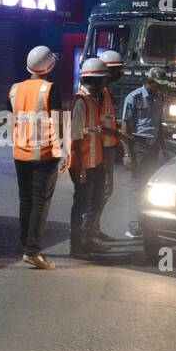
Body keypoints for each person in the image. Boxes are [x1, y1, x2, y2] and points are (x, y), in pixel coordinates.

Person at [9, 46, 63, 270]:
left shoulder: (14, 89)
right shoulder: (50, 89)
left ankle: (26, 245)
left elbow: (12, 116)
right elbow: (60, 124)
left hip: (20, 152)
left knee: (26, 201)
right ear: (49, 66)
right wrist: (64, 152)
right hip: (44, 153)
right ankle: (32, 251)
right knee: (40, 202)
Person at [68, 57, 111, 259]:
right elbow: (76, 136)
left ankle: (87, 241)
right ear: (95, 81)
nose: (105, 84)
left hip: (94, 162)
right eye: (103, 80)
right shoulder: (80, 101)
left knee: (92, 203)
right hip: (83, 165)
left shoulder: (93, 100)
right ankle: (76, 246)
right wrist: (82, 169)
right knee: (80, 206)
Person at [86, 50, 131, 242]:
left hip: (107, 146)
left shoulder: (105, 91)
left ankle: (93, 229)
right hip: (101, 148)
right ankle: (89, 231)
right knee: (100, 190)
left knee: (104, 190)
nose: (120, 73)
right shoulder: (99, 94)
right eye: (118, 69)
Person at [122, 67, 166, 239]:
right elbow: (124, 127)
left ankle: (145, 221)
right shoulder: (134, 98)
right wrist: (127, 154)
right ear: (149, 82)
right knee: (136, 186)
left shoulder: (159, 98)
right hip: (138, 146)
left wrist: (163, 149)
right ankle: (133, 225)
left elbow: (159, 125)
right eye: (157, 85)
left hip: (153, 147)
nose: (160, 88)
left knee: (149, 185)